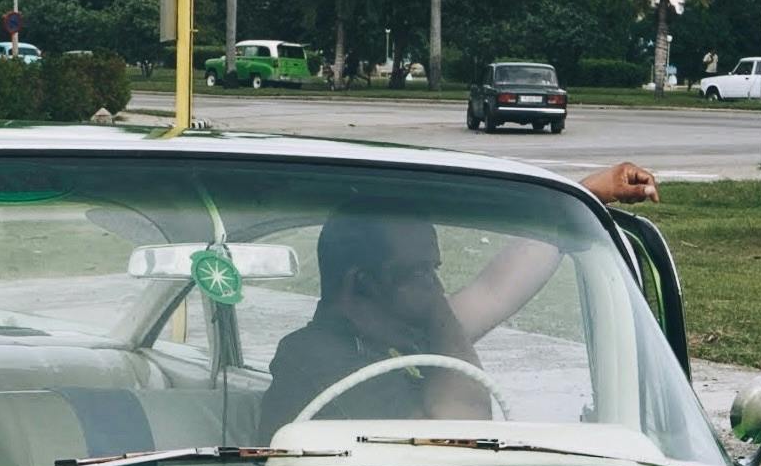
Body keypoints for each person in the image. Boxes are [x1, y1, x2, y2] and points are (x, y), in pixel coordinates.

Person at [260, 162, 658, 435]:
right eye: (420, 273)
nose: (435, 289)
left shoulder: (391, 336)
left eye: (434, 270)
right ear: (360, 283)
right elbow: (461, 422)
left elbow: (495, 290)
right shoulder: (317, 359)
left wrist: (584, 196)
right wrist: (436, 310)